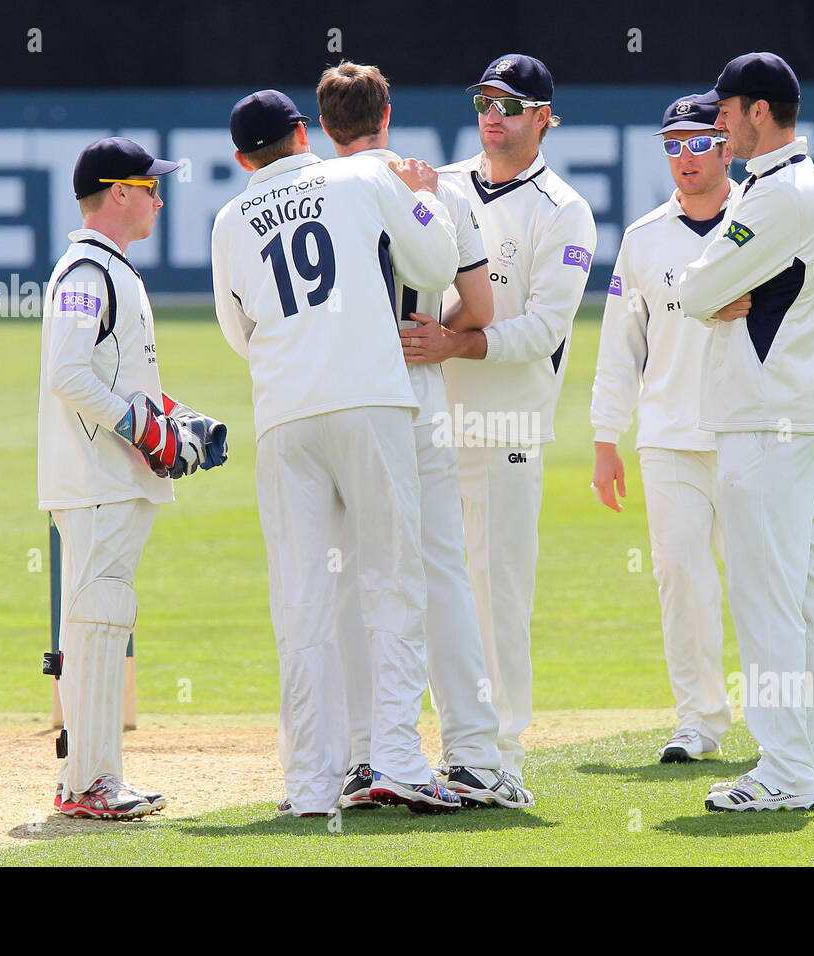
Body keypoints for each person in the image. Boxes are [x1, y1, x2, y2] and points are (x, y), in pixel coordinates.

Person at [210, 89, 463, 815]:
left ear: (240, 157)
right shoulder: (359, 178)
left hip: (284, 413)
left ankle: (311, 784)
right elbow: (438, 264)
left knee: (301, 597)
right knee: (392, 578)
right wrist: (424, 199)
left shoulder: (231, 218)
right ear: (302, 133)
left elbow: (238, 329)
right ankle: (395, 758)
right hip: (370, 398)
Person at [314, 61, 533, 809]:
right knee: (439, 570)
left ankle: (360, 754)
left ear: (323, 127)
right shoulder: (429, 189)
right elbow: (479, 308)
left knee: (350, 577)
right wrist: (435, 333)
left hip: (331, 399)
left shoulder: (308, 193)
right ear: (387, 114)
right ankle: (471, 751)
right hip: (412, 392)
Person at [399, 54, 597, 784]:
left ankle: (500, 758)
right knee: (422, 589)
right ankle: (422, 747)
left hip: (508, 426)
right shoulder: (443, 186)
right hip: (426, 422)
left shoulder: (564, 210)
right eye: (484, 99)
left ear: (545, 116)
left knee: (496, 592)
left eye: (512, 104)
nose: (494, 114)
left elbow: (545, 329)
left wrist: (458, 342)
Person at [38, 137, 223, 819]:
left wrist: (180, 419)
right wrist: (150, 433)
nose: (160, 198)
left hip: (108, 475)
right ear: (118, 192)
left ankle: (94, 777)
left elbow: (120, 378)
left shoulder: (107, 268)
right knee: (98, 618)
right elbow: (69, 373)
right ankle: (87, 782)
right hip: (97, 476)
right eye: (150, 187)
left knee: (100, 618)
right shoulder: (88, 271)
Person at [677, 53, 814, 812]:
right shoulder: (777, 187)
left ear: (761, 112)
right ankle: (800, 755)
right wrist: (713, 293)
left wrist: (713, 293)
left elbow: (696, 287)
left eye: (728, 109)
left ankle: (786, 769)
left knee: (768, 595)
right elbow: (707, 291)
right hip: (782, 411)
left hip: (762, 416)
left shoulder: (777, 195)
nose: (718, 122)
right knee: (798, 591)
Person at [590, 94, 746, 766]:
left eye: (697, 143)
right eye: (672, 145)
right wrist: (605, 437)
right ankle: (699, 722)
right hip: (668, 438)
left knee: (768, 580)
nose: (684, 158)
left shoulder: (760, 220)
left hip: (752, 433)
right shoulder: (644, 237)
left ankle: (784, 718)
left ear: (727, 146)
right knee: (681, 580)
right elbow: (621, 346)